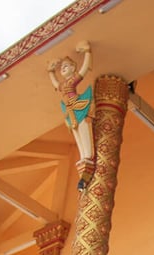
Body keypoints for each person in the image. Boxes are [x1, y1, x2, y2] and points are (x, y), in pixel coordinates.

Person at [49, 42, 95, 187]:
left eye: (66, 66)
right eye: (62, 67)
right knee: (75, 132)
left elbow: (84, 69)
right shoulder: (63, 85)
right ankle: (83, 158)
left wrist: (87, 52)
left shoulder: (73, 80)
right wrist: (51, 72)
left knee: (82, 129)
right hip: (69, 112)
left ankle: (87, 156)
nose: (63, 69)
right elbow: (55, 84)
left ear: (73, 68)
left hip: (77, 106)